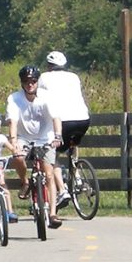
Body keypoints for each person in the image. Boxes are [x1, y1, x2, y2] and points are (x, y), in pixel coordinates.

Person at [7, 65, 64, 229]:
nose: (29, 84)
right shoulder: (15, 98)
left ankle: (53, 213)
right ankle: (25, 182)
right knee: (17, 158)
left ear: (37, 81)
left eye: (32, 81)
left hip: (46, 137)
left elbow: (56, 118)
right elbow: (13, 121)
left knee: (49, 174)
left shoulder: (47, 96)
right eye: (26, 81)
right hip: (24, 137)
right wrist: (13, 141)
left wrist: (58, 136)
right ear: (22, 83)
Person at [39, 50, 90, 210]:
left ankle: (62, 190)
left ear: (49, 65)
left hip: (62, 121)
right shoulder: (74, 77)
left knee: (51, 155)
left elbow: (39, 97)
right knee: (73, 144)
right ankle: (78, 176)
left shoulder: (44, 77)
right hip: (83, 119)